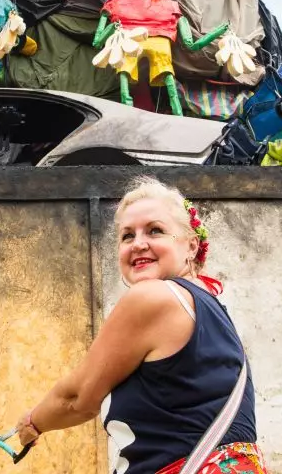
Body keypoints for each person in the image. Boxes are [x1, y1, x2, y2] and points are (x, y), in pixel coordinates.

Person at [15, 177, 268, 473]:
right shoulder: (209, 307)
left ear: (191, 245)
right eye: (126, 236)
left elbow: (77, 398)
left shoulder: (153, 298)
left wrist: (32, 423)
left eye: (155, 231)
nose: (138, 244)